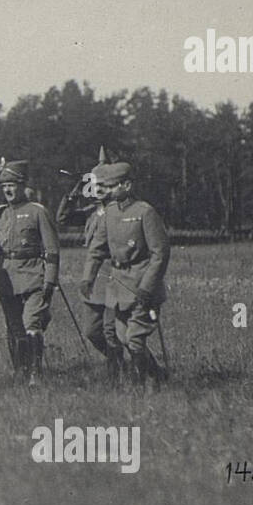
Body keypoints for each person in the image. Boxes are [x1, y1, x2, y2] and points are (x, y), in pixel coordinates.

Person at [81, 162, 170, 385]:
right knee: (122, 337)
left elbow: (160, 254)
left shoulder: (145, 212)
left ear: (126, 185)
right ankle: (157, 375)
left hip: (141, 285)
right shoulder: (109, 213)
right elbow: (97, 249)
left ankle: (140, 387)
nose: (107, 191)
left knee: (134, 339)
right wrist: (87, 277)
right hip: (118, 286)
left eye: (112, 187)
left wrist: (147, 287)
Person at [0, 159, 59, 382]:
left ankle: (35, 373)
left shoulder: (37, 211)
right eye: (4, 186)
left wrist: (49, 282)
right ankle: (20, 372)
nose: (8, 190)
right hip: (7, 278)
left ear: (22, 185)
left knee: (32, 324)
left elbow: (51, 250)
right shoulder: (0, 212)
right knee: (14, 328)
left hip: (33, 277)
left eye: (12, 185)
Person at [56, 148, 123, 378]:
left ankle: (130, 372)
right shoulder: (91, 212)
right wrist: (75, 191)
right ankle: (120, 362)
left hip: (115, 276)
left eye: (103, 184)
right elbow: (63, 218)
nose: (98, 189)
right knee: (92, 331)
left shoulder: (121, 211)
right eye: (95, 185)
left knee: (113, 331)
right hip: (94, 279)